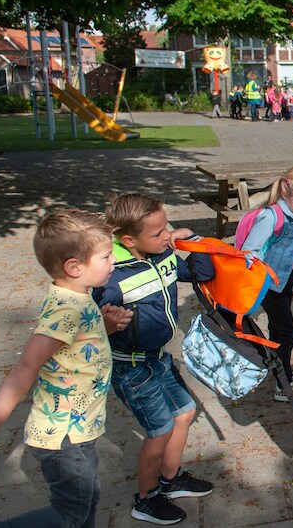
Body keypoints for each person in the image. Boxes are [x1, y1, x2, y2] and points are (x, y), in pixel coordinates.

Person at [0, 209, 128, 528]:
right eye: (106, 256)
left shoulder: (76, 294)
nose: (114, 261)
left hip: (80, 429)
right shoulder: (67, 308)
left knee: (86, 503)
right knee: (70, 513)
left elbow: (71, 343)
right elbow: (26, 367)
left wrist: (103, 327)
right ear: (74, 267)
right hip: (63, 436)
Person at [94, 195, 216, 524]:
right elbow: (89, 319)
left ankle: (170, 479)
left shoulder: (161, 253)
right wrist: (103, 324)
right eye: (159, 232)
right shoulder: (112, 275)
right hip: (131, 366)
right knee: (159, 430)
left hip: (159, 358)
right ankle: (146, 498)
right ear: (129, 240)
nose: (167, 235)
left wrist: (190, 241)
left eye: (166, 227)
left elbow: (201, 273)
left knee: (185, 412)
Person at [240, 166, 293, 403]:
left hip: (283, 284)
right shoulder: (271, 217)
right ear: (285, 191)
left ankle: (282, 377)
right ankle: (284, 384)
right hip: (268, 286)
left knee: (278, 331)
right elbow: (248, 253)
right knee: (287, 332)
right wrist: (260, 278)